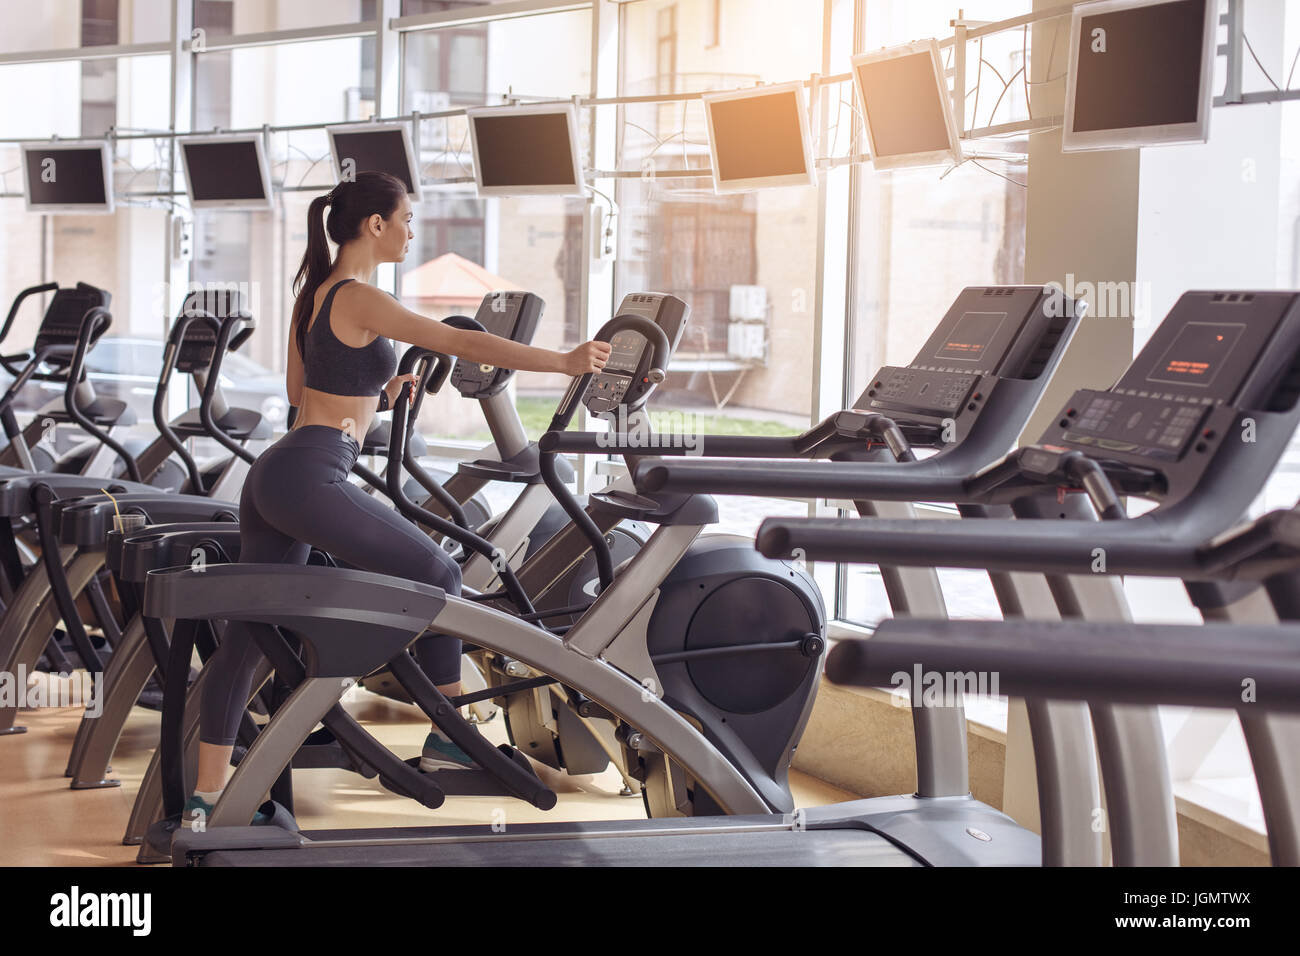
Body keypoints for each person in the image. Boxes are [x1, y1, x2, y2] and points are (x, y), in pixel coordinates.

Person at [186, 171, 610, 826]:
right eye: (407, 218)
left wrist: (380, 393)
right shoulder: (361, 295)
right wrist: (565, 362)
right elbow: (463, 341)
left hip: (280, 469)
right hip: (312, 472)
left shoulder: (314, 294)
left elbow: (305, 393)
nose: (411, 230)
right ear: (375, 224)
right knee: (438, 572)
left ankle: (206, 798)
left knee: (246, 638)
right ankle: (447, 732)